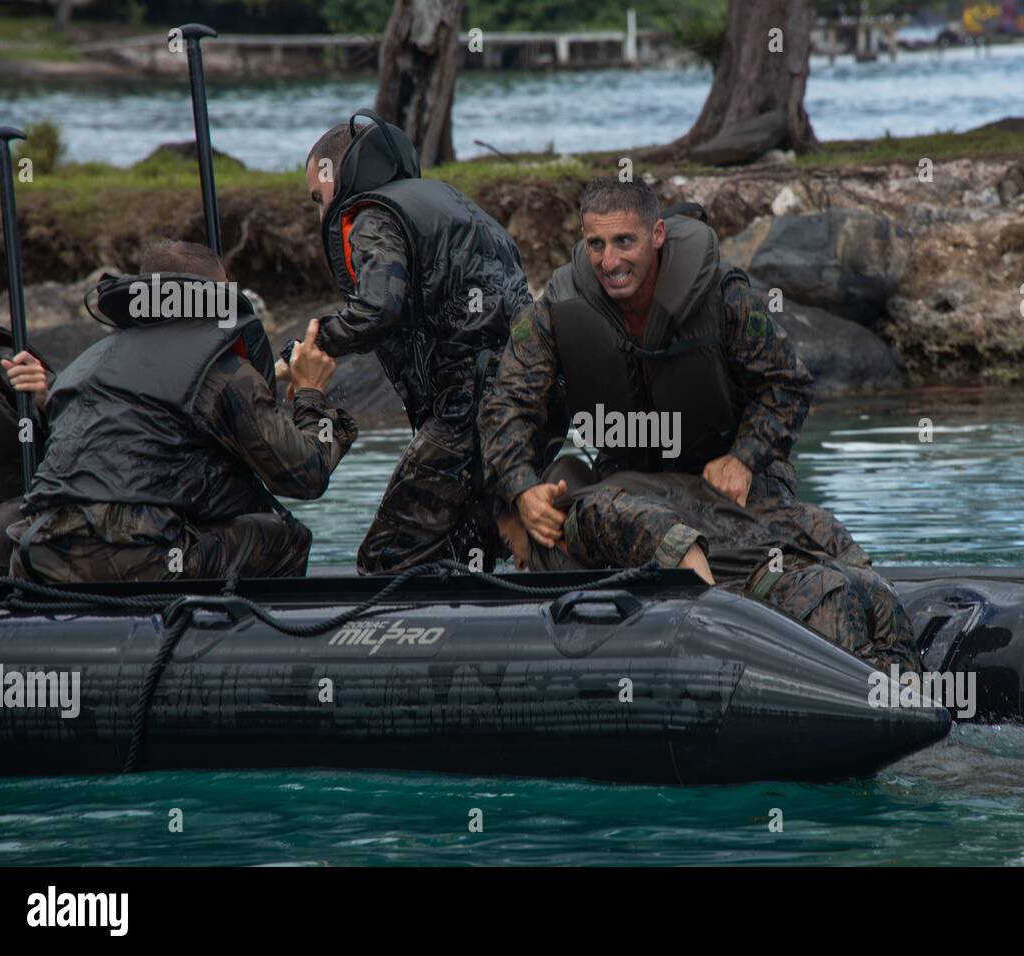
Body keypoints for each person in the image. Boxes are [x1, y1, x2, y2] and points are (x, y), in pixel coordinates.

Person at [480, 177, 814, 554]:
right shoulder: (554, 310)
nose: (610, 262)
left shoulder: (726, 298)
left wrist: (744, 459)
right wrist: (522, 488)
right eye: (596, 245)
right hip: (628, 490)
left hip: (733, 483)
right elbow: (507, 403)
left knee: (776, 564)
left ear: (656, 235)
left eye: (625, 241)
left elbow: (788, 384)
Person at [6, 239, 355, 583]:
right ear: (220, 293)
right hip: (140, 558)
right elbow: (305, 475)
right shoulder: (223, 369)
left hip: (36, 551)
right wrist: (310, 393)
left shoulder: (87, 363)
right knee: (286, 538)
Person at [294, 110, 531, 574]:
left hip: (470, 406)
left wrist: (305, 351)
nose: (323, 214)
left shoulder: (369, 214)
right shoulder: (447, 201)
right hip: (523, 400)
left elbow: (379, 309)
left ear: (342, 178)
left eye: (319, 199)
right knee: (465, 549)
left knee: (387, 557)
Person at [493, 458, 919, 673]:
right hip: (860, 586)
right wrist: (859, 573)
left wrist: (717, 617)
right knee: (914, 728)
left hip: (807, 599)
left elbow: (668, 537)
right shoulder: (674, 486)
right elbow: (809, 518)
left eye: (511, 540)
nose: (515, 559)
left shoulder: (581, 512)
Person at [0, 325, 51, 579]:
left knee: (3, 525)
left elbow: (74, 426)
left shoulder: (1, 363)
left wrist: (43, 398)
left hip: (20, 510)